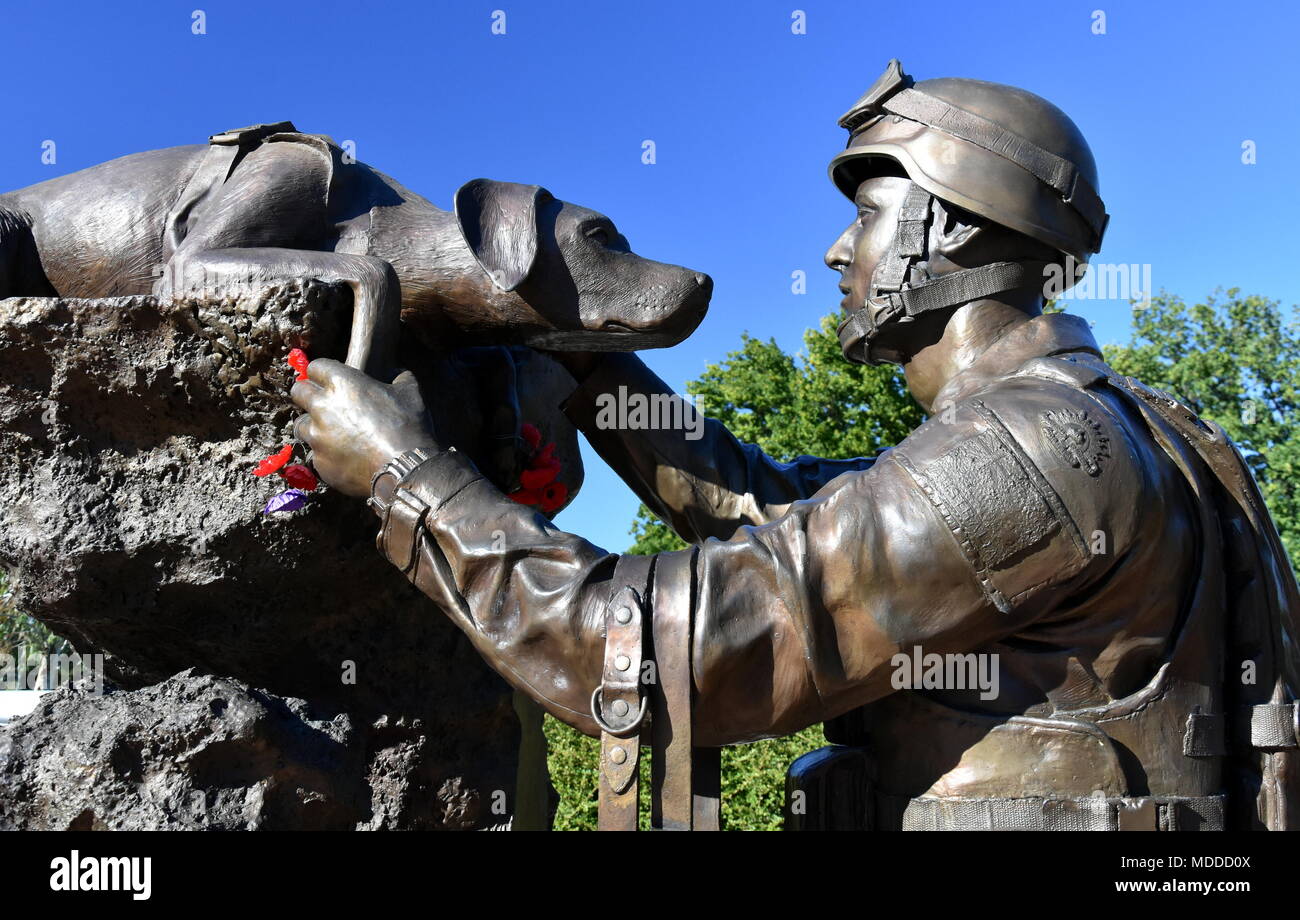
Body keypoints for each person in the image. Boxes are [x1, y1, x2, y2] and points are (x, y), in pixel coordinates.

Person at [290, 60, 1299, 831]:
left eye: (865, 215)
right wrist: (597, 366)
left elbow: (669, 649)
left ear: (945, 233)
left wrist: (404, 474)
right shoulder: (1110, 424)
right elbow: (773, 511)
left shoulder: (1024, 454)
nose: (834, 249)